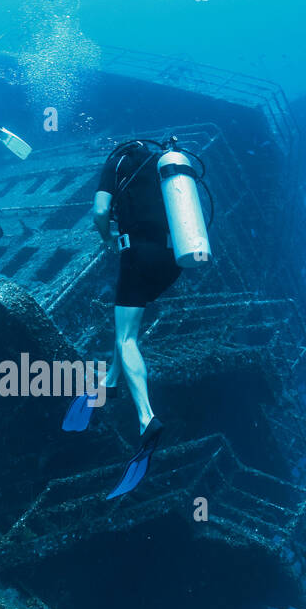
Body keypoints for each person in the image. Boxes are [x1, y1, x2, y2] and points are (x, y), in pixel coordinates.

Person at [63, 139, 184, 498]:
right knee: (126, 331)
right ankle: (108, 386)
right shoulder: (166, 164)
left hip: (138, 255)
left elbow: (100, 212)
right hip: (173, 259)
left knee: (126, 337)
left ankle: (146, 419)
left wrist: (106, 239)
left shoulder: (117, 160)